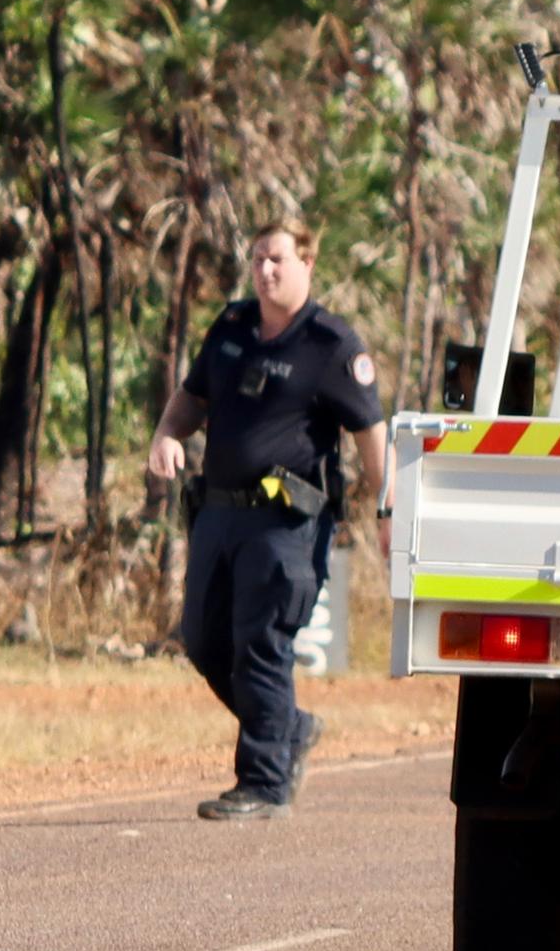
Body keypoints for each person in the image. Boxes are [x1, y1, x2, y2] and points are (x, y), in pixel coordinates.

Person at [152, 220, 389, 821]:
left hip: (285, 524)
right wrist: (167, 434)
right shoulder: (232, 328)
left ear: (307, 263)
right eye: (258, 260)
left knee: (261, 645)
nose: (265, 271)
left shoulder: (331, 345)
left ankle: (264, 782)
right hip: (219, 515)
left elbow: (370, 435)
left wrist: (387, 508)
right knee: (205, 641)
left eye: (278, 260)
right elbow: (192, 395)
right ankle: (291, 728)